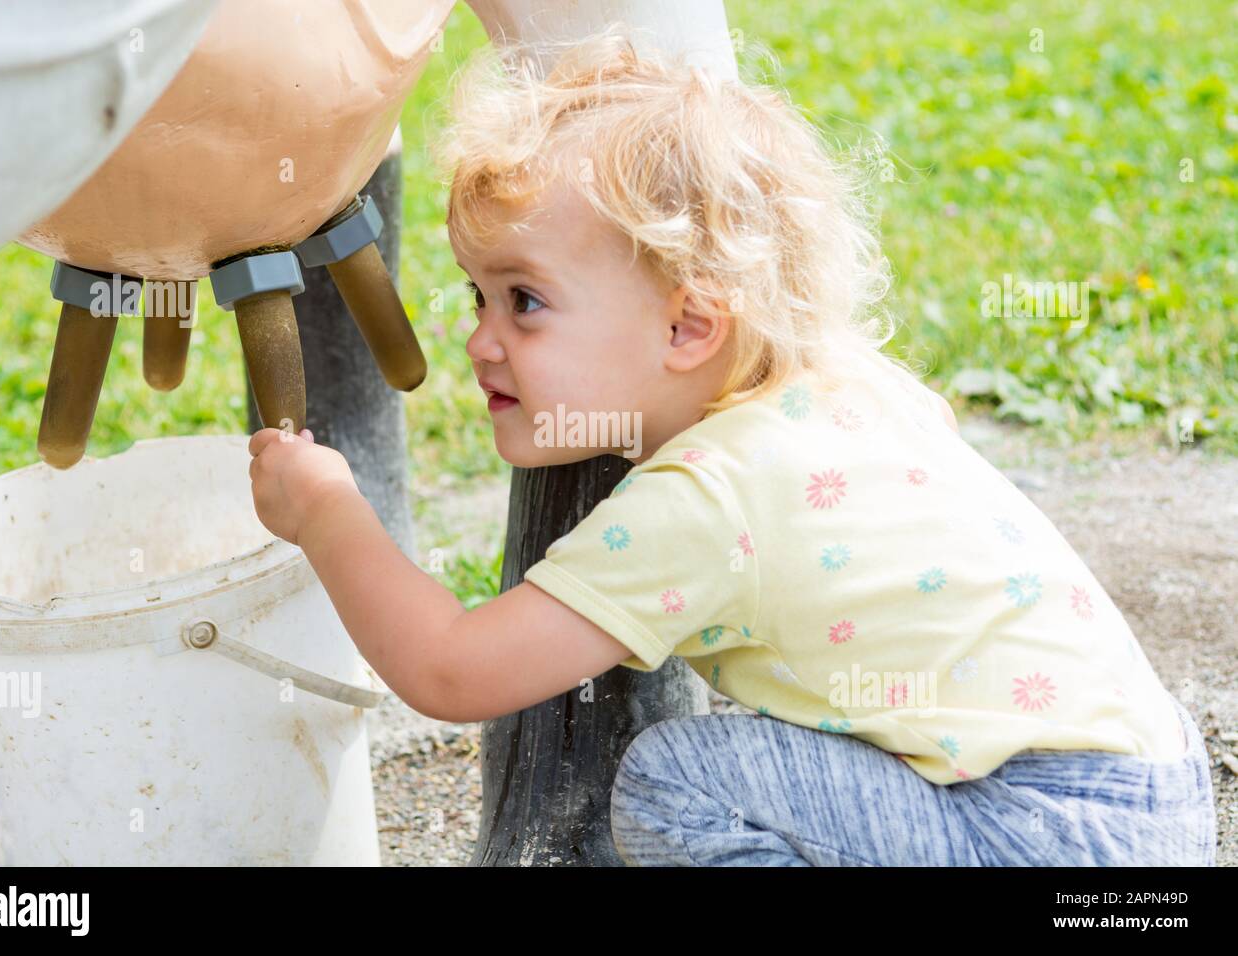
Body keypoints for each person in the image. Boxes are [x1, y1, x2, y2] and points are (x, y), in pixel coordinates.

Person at [247, 30, 1216, 866]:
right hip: (1151, 789)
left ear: (688, 328)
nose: (480, 339)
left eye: (525, 300)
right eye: (477, 296)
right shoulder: (842, 385)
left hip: (1035, 828)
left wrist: (329, 511)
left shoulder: (704, 503)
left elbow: (453, 672)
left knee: (681, 777)